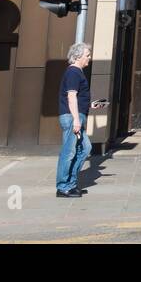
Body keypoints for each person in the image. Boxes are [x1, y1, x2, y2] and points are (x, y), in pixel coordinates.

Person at [56, 43, 92, 198]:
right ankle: (63, 187)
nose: (89, 58)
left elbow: (77, 97)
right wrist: (76, 120)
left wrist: (90, 105)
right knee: (69, 152)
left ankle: (70, 184)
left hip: (75, 116)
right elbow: (71, 97)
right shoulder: (73, 72)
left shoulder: (77, 73)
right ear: (78, 56)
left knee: (85, 149)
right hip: (72, 118)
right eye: (87, 55)